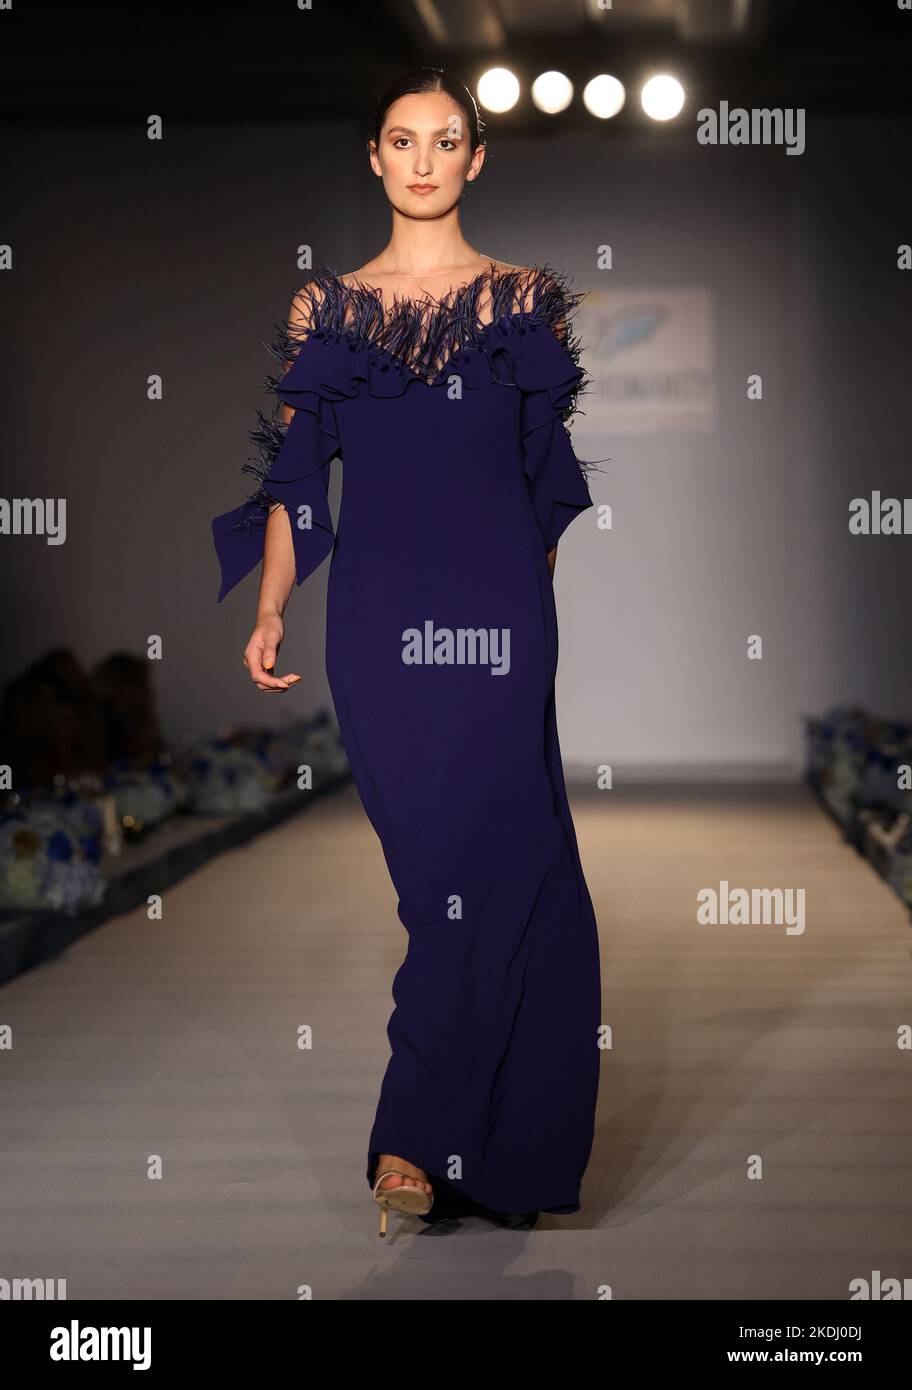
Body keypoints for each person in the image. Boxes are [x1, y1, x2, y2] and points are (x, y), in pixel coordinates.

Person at [211, 65, 602, 1236]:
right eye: (401, 139)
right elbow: (296, 482)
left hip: (499, 623)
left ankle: (413, 1143)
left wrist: (524, 643)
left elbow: (543, 490)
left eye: (446, 140)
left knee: (510, 870)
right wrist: (273, 602)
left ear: (476, 158)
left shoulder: (525, 302)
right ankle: (452, 1137)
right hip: (377, 623)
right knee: (438, 880)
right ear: (373, 158)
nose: (423, 159)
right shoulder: (323, 312)